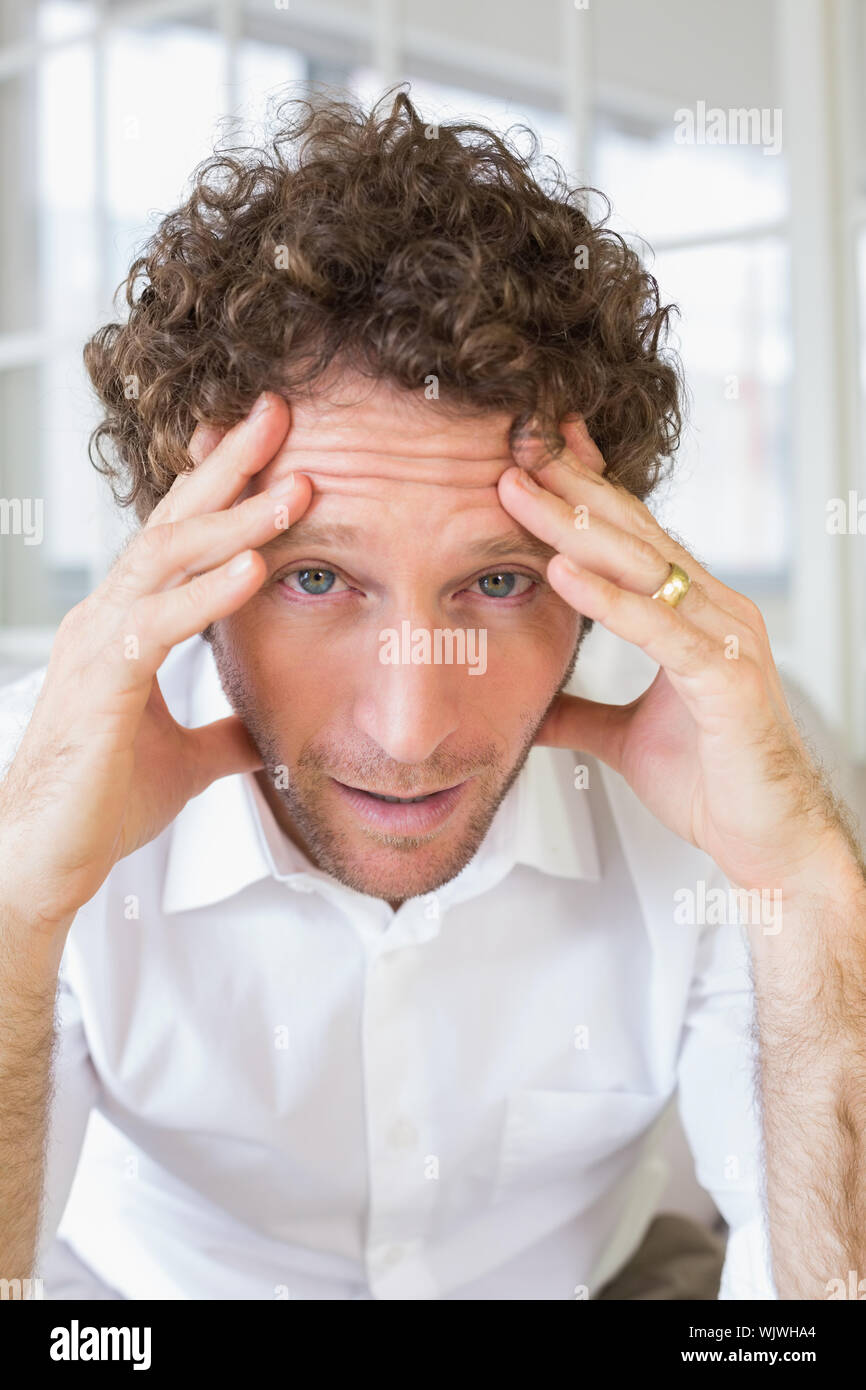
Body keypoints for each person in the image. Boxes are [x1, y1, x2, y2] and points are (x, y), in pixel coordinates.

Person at [1, 88, 863, 1302]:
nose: (408, 731)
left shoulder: (730, 756)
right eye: (315, 577)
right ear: (188, 554)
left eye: (498, 580)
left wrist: (808, 887)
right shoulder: (26, 768)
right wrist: (19, 906)